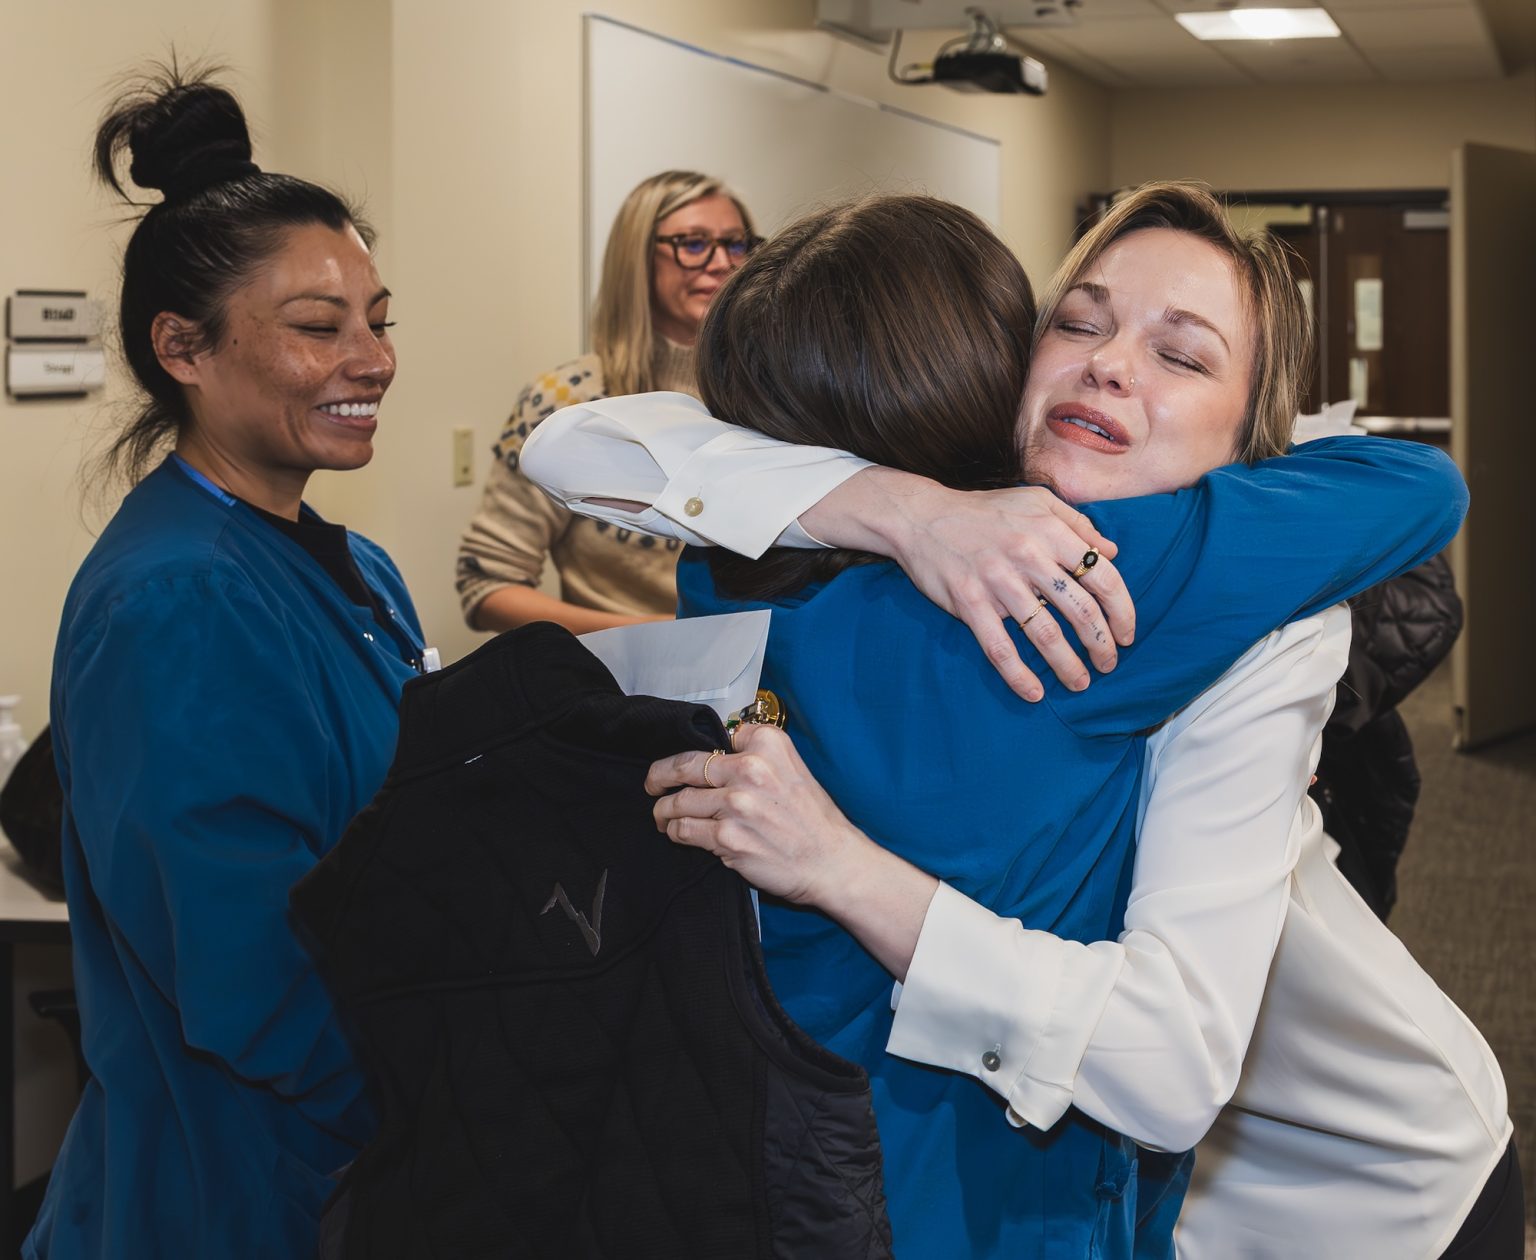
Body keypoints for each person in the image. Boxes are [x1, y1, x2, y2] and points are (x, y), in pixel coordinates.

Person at [522, 186, 1516, 1259]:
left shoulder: (1173, 581)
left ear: (1251, 450)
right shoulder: (899, 569)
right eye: (1078, 324)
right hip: (1131, 1176)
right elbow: (580, 442)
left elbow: (1419, 483)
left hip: (1363, 1176)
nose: (1110, 364)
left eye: (1182, 356)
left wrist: (843, 867)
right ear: (1005, 366)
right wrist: (911, 510)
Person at [29, 69, 423, 1258]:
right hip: (241, 1191)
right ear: (181, 348)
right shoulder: (180, 601)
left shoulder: (350, 569)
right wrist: (438, 1115)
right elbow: (249, 972)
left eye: (379, 319)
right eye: (318, 328)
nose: (372, 359)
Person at [453, 170, 758, 634]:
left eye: (736, 244)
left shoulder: (774, 394)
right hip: (624, 672)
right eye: (694, 244)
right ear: (637, 259)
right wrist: (660, 636)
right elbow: (487, 585)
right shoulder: (565, 402)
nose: (721, 263)